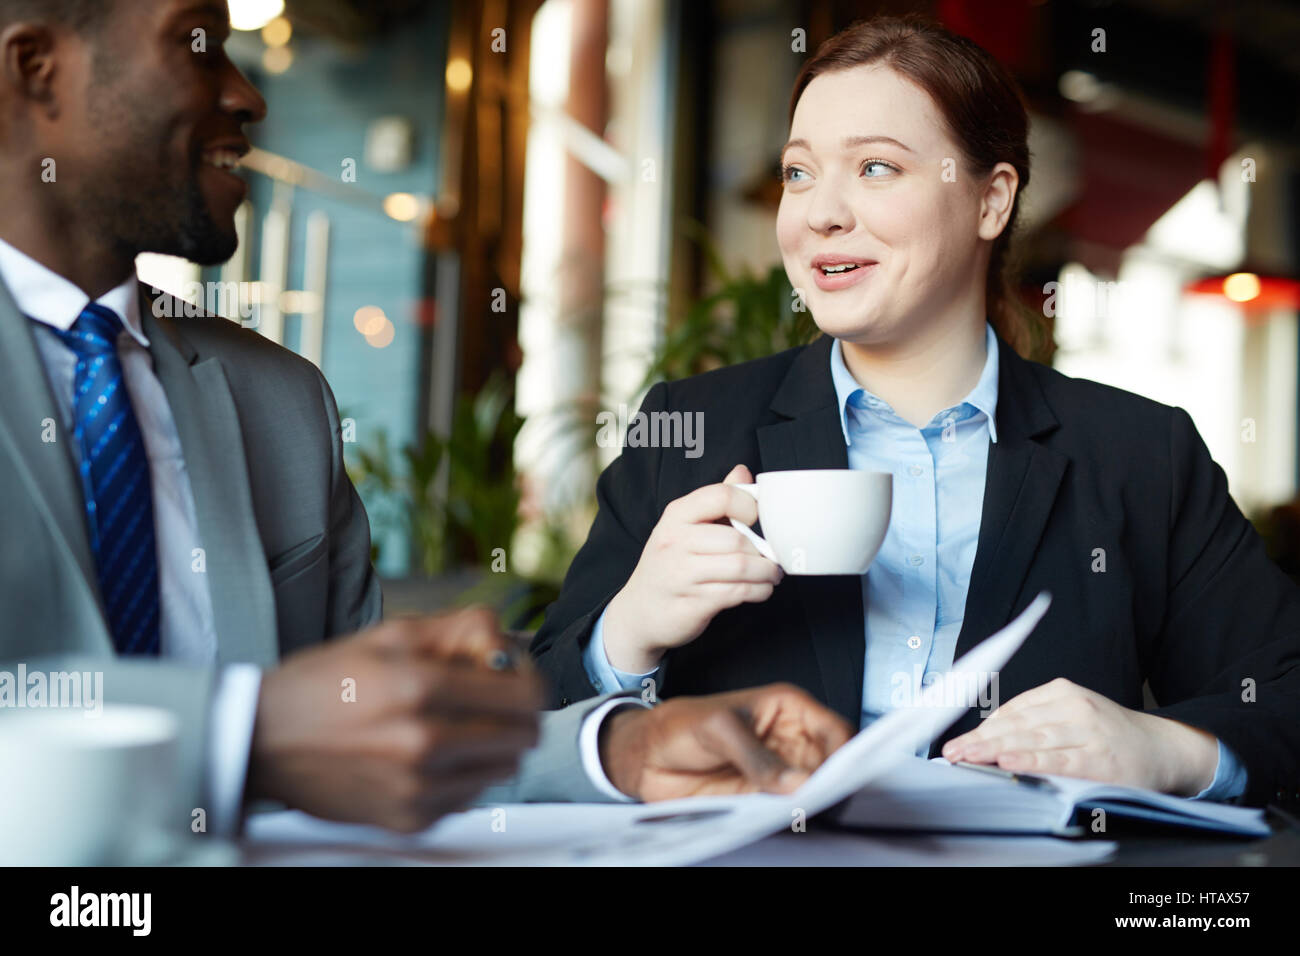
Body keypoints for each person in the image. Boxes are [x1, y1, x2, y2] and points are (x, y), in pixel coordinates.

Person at [0, 0, 852, 840]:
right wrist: (243, 732)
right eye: (198, 45)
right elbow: (279, 732)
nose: (248, 95)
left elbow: (379, 732)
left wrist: (619, 747)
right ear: (38, 70)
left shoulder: (280, 402)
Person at [531, 14, 1300, 810]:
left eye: (874, 168)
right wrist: (627, 634)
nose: (820, 212)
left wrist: (1164, 746)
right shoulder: (686, 431)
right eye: (799, 173)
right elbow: (521, 727)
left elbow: (1282, 691)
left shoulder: (1141, 453)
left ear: (991, 200)